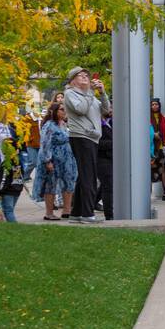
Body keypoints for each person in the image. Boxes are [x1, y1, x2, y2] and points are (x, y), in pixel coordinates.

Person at [63, 67, 109, 222]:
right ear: (72, 81)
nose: (85, 77)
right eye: (79, 75)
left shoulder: (90, 96)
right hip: (82, 137)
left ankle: (76, 213)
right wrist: (90, 92)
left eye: (86, 75)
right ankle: (88, 214)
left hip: (91, 138)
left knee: (84, 176)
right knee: (89, 176)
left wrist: (102, 93)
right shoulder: (70, 93)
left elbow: (105, 110)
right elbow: (81, 109)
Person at [36, 101, 78, 221]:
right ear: (54, 112)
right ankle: (49, 213)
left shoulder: (64, 124)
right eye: (61, 109)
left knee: (69, 182)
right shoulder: (49, 125)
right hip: (53, 158)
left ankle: (67, 210)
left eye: (65, 110)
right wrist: (48, 161)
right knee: (51, 185)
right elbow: (45, 143)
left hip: (66, 158)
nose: (64, 112)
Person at [0, 121, 23, 222]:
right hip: (14, 187)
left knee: (8, 210)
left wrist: (0, 190)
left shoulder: (8, 164)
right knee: (8, 210)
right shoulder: (17, 161)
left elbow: (6, 181)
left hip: (8, 188)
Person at [150, 98, 165, 201]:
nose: (155, 106)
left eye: (156, 104)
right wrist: (153, 135)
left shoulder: (163, 118)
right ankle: (147, 193)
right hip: (150, 149)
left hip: (160, 148)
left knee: (163, 170)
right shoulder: (146, 117)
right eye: (152, 104)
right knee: (148, 171)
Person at [98, 108, 114, 220]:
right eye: (109, 107)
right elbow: (98, 143)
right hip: (102, 159)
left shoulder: (110, 123)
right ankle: (109, 214)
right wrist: (115, 142)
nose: (111, 110)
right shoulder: (98, 125)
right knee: (108, 186)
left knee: (106, 185)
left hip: (110, 158)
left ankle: (93, 201)